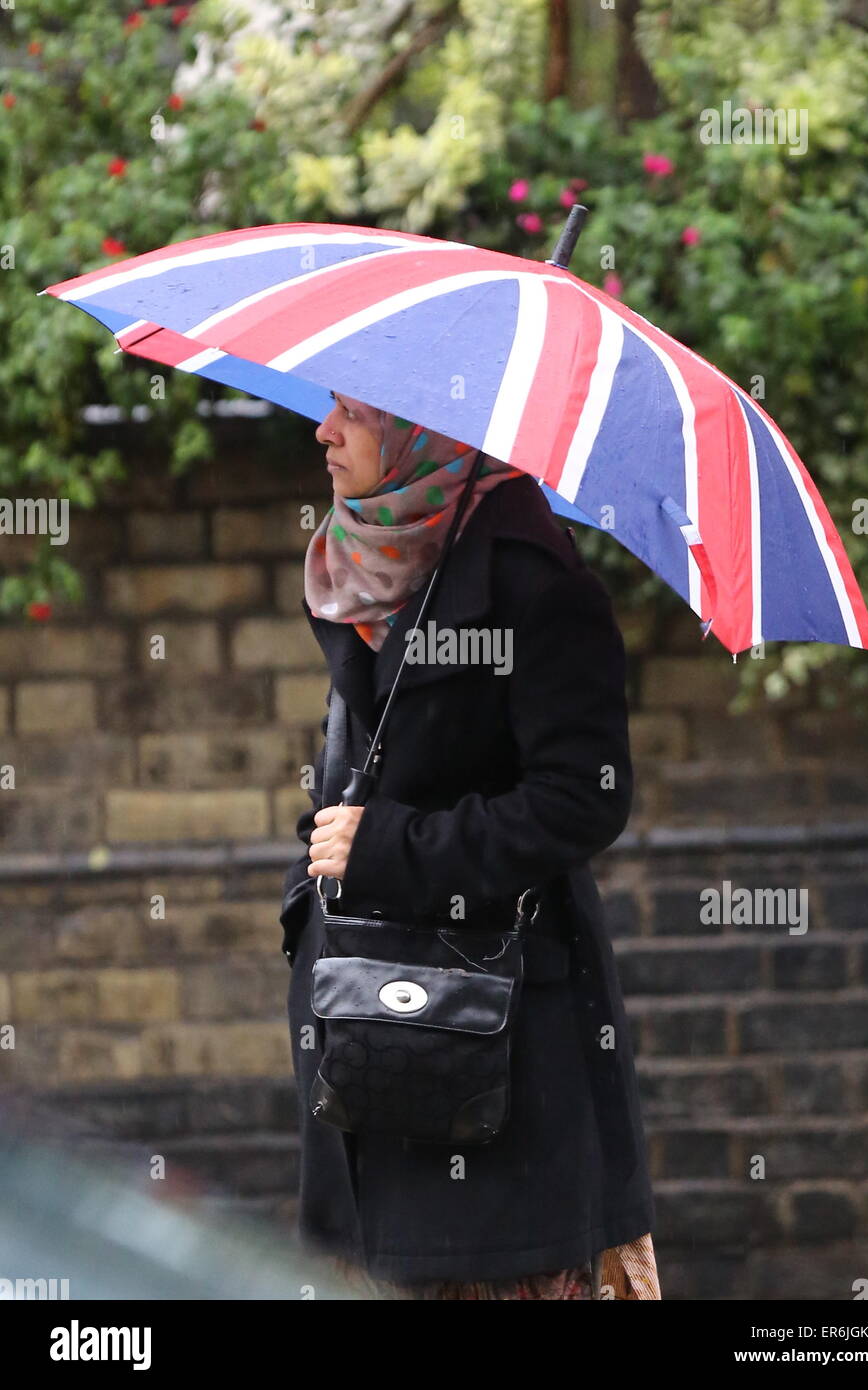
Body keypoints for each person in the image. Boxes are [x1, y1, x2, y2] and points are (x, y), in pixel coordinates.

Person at [280, 389, 660, 1300]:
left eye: (355, 413)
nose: (324, 432)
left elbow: (582, 801)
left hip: (494, 1039)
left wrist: (391, 849)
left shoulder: (535, 580)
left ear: (423, 434)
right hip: (362, 1030)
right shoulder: (370, 562)